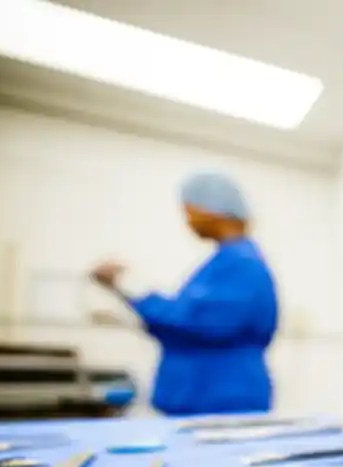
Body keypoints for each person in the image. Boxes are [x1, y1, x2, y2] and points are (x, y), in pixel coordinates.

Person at [91, 171, 279, 416]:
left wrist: (129, 287)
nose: (188, 221)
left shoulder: (241, 263)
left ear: (212, 209)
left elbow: (196, 322)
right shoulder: (223, 262)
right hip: (202, 396)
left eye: (190, 212)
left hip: (220, 398)